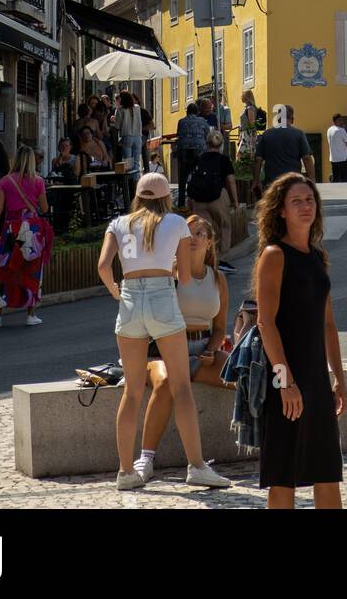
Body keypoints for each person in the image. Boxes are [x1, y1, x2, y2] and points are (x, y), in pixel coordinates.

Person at [97, 172, 231, 491]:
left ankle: (126, 471)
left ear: (138, 196)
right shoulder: (175, 223)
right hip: (161, 298)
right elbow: (184, 278)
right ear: (165, 197)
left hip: (129, 298)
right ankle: (196, 466)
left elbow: (103, 266)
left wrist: (116, 291)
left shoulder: (118, 223)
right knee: (181, 387)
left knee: (131, 391)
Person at [255, 172, 347, 509]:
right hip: (286, 381)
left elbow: (328, 325)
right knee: (283, 477)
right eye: (296, 201)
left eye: (309, 200)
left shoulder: (318, 257)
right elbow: (266, 324)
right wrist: (285, 382)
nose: (305, 206)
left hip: (317, 381)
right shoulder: (274, 255)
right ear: (281, 210)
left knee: (327, 473)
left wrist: (339, 376)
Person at [135, 214, 233, 483]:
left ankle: (262, 440)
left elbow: (221, 328)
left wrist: (212, 350)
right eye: (188, 234)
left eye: (201, 233)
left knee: (244, 374)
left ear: (210, 242)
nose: (194, 239)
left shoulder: (218, 279)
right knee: (166, 383)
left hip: (201, 350)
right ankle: (145, 458)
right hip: (162, 350)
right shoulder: (168, 273)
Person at [0, 145, 53, 327]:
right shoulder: (38, 181)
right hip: (31, 227)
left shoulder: (5, 181)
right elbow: (45, 208)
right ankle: (31, 313)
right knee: (31, 268)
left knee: (4, 268)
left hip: (10, 227)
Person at [187, 130, 238, 257]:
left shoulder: (198, 159)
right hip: (218, 197)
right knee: (224, 226)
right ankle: (223, 257)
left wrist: (189, 199)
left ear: (207, 143)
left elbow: (191, 179)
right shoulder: (224, 159)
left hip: (199, 199)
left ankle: (205, 256)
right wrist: (235, 201)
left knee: (203, 229)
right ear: (220, 145)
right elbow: (231, 181)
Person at [252, 105, 315, 196]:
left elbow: (258, 159)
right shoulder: (299, 134)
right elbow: (307, 158)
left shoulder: (266, 135)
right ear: (292, 119)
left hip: (272, 183)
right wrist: (312, 181)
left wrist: (255, 181)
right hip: (293, 182)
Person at [175, 102, 210, 208]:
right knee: (201, 176)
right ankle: (201, 201)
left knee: (182, 178)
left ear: (187, 112)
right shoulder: (203, 121)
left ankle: (181, 204)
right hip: (199, 153)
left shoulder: (181, 122)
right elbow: (208, 135)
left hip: (184, 153)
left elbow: (178, 135)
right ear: (198, 112)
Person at [114, 91, 143, 170]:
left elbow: (117, 125)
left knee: (128, 161)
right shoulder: (137, 107)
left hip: (126, 136)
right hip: (138, 136)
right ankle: (136, 180)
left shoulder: (120, 109)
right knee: (136, 162)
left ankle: (130, 181)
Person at [326, 114, 347, 182]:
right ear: (337, 120)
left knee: (335, 177)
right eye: (340, 120)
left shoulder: (329, 130)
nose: (342, 121)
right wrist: (346, 152)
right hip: (342, 158)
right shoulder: (341, 130)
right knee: (344, 178)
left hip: (333, 158)